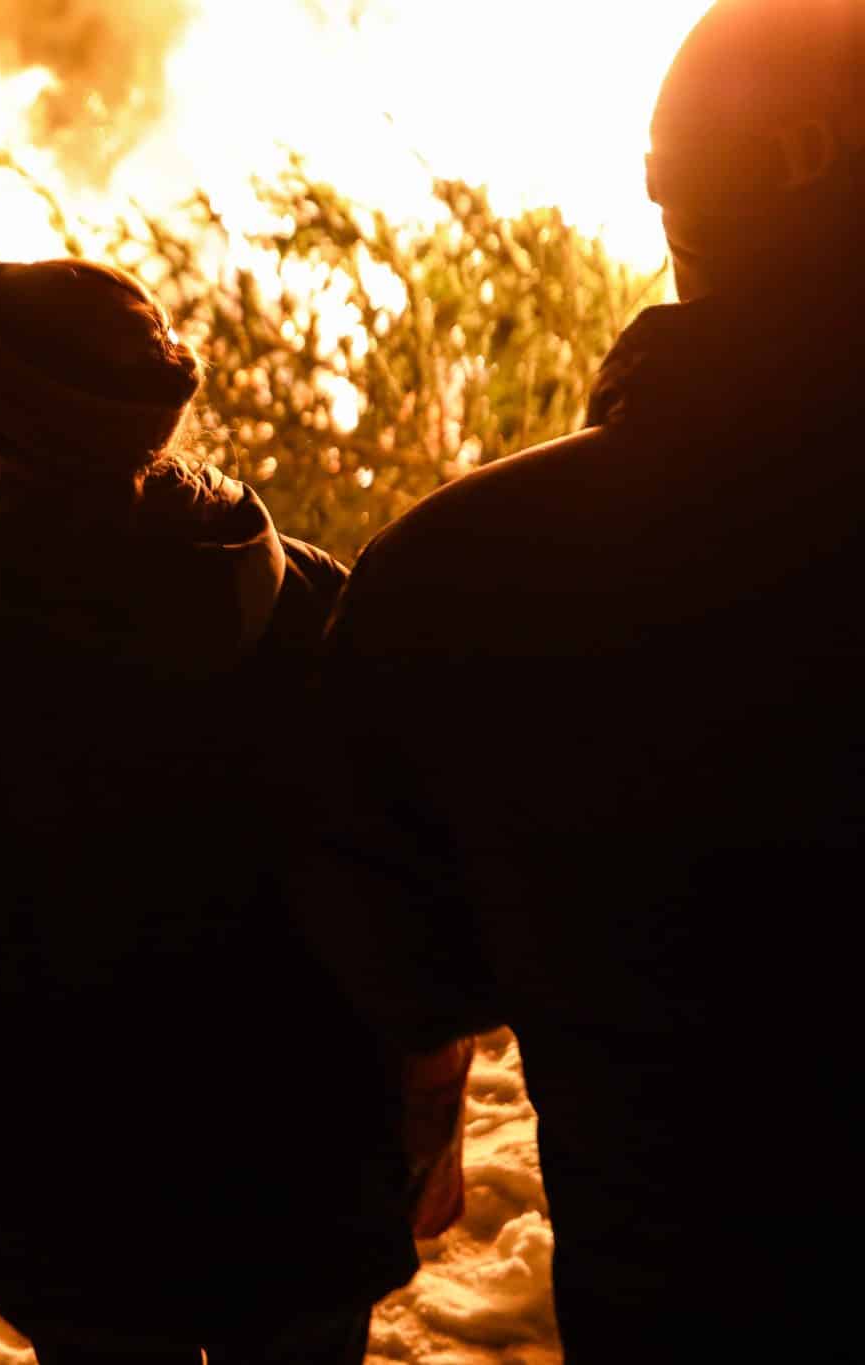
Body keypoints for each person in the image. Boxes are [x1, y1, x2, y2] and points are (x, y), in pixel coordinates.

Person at [293, 1, 863, 1359]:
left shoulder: (456, 574)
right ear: (813, 152)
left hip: (688, 1290)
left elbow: (406, 966)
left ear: (673, 190)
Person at [0, 258, 419, 1363]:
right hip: (303, 1168)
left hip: (76, 1195)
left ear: (14, 431)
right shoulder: (309, 600)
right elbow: (394, 876)